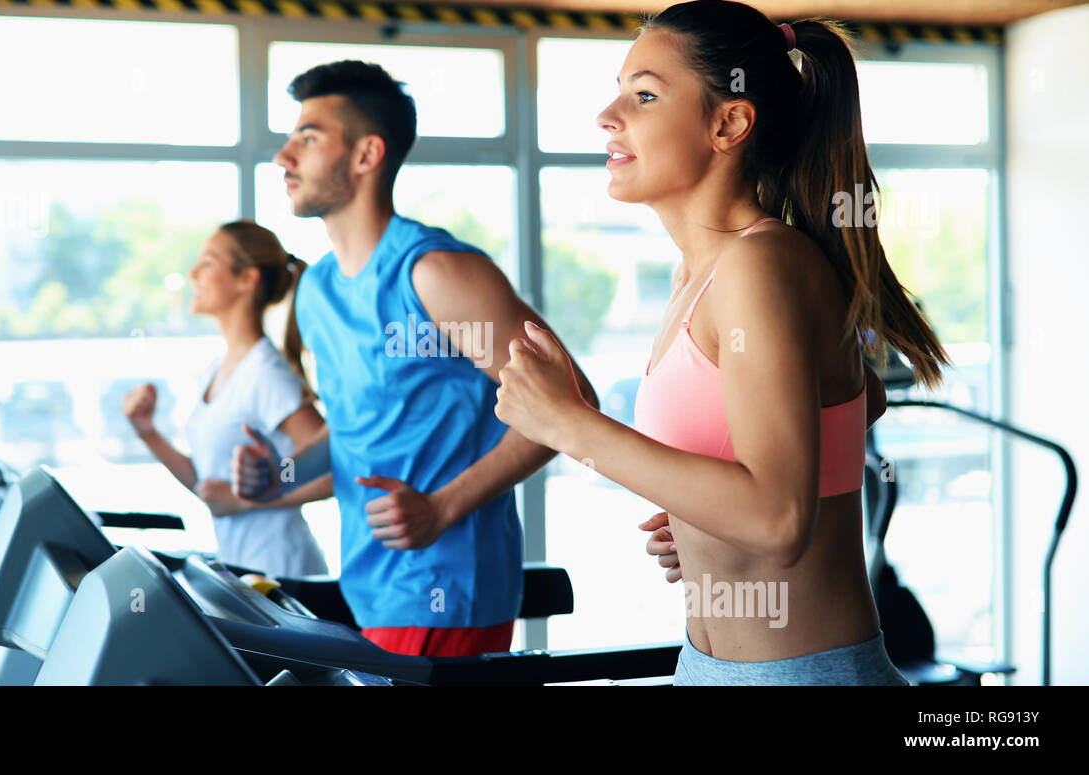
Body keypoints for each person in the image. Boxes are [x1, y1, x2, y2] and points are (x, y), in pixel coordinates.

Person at [493, 0, 948, 685]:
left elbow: (779, 516)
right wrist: (705, 518)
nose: (607, 116)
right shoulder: (700, 273)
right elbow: (858, 400)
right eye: (618, 92)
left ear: (728, 122)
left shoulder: (760, 263)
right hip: (709, 666)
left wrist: (569, 425)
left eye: (644, 95)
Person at [236, 59, 599, 657]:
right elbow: (355, 434)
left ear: (366, 155)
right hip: (371, 588)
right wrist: (279, 476)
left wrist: (441, 507)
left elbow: (572, 402)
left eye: (307, 137)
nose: (283, 157)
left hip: (449, 587)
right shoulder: (319, 289)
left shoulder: (435, 273)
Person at [122, 220, 330, 578]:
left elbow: (333, 473)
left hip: (282, 573)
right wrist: (148, 433)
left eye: (208, 263)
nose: (193, 274)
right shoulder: (220, 367)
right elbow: (209, 486)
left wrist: (240, 500)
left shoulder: (266, 374)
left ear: (246, 280)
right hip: (242, 570)